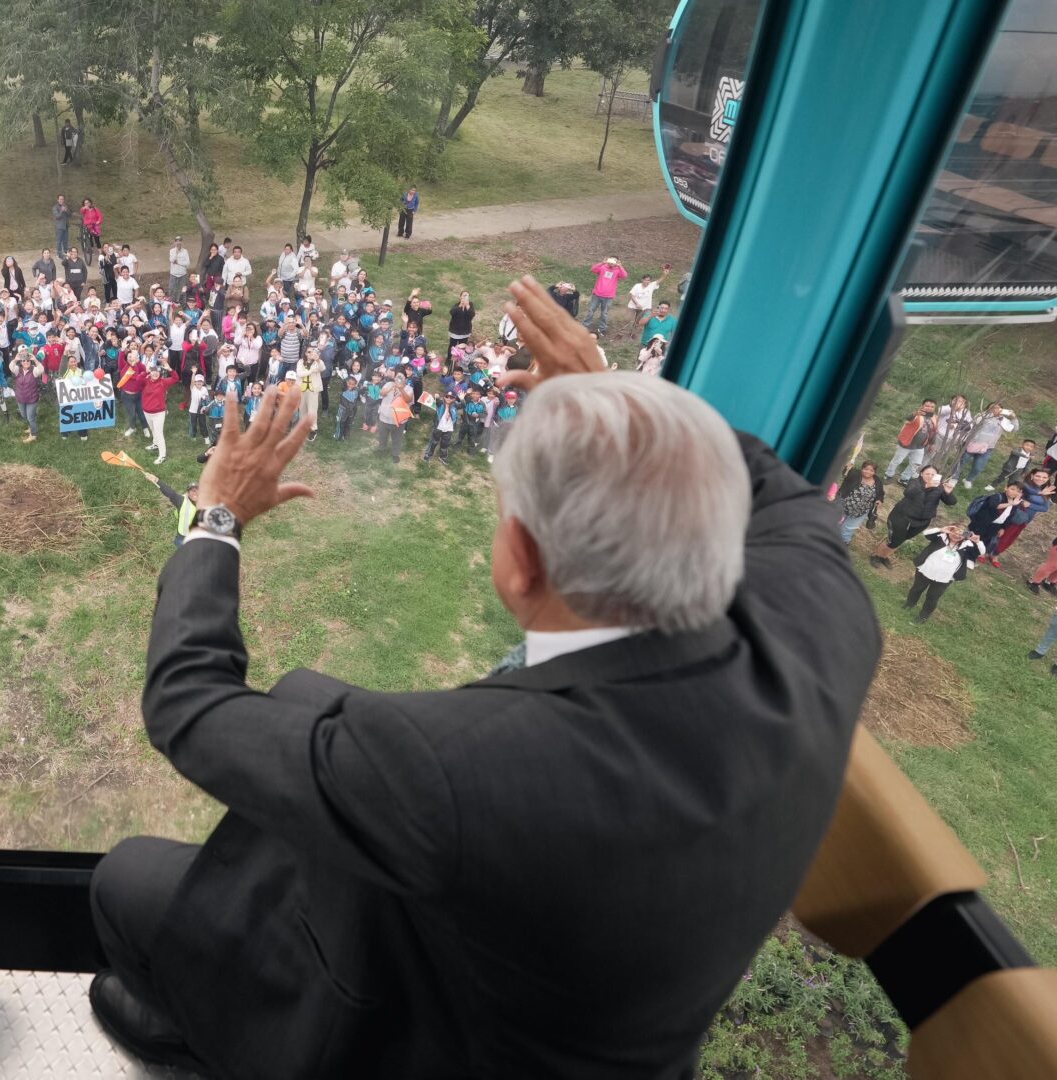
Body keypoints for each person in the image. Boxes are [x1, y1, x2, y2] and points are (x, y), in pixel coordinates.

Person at [85, 276, 880, 1080]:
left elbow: (189, 704)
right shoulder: (824, 631)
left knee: (124, 882)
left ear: (521, 561)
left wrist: (215, 518)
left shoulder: (454, 773)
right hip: (606, 1021)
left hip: (440, 1040)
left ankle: (198, 1040)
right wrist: (607, 399)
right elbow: (773, 489)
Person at [871, 466, 959, 567]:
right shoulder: (915, 482)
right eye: (927, 474)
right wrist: (925, 486)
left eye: (933, 474)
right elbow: (908, 493)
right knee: (894, 540)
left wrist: (948, 493)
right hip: (902, 517)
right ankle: (876, 555)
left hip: (922, 522)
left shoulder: (939, 487)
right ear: (921, 474)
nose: (930, 476)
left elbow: (951, 502)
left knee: (901, 540)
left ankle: (884, 556)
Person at [905, 524, 984, 622]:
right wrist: (940, 529)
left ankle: (923, 616)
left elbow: (981, 552)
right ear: (949, 531)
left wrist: (978, 542)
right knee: (916, 589)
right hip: (926, 570)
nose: (956, 535)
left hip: (945, 577)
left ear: (965, 536)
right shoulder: (940, 537)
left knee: (933, 597)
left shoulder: (966, 546)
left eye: (961, 534)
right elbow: (926, 534)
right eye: (954, 532)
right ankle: (909, 604)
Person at [952, 401, 1018, 488]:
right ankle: (954, 478)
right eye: (992, 407)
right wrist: (988, 414)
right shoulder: (982, 415)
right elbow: (975, 422)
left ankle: (969, 480)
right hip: (972, 443)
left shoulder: (1003, 420)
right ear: (988, 408)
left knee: (978, 466)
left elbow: (1014, 429)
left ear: (1002, 410)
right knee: (962, 461)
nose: (995, 409)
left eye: (997, 408)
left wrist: (1013, 418)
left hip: (988, 447)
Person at [887, 399, 940, 481]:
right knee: (897, 461)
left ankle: (904, 478)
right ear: (922, 406)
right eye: (927, 406)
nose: (929, 408)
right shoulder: (917, 415)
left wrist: (932, 444)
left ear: (934, 408)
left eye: (932, 407)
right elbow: (908, 418)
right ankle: (889, 474)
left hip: (919, 446)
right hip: (906, 443)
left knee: (916, 464)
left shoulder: (934, 418)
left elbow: (933, 432)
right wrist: (915, 413)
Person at [832, 460, 884, 543]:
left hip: (861, 511)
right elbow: (845, 474)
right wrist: (847, 467)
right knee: (835, 522)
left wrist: (879, 500)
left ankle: (843, 542)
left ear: (874, 472)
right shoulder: (855, 474)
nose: (868, 472)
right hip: (844, 505)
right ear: (861, 468)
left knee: (849, 528)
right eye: (866, 469)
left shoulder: (877, 481)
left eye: (871, 470)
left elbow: (880, 493)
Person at [141, 470, 199, 544]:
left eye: (197, 490)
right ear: (188, 493)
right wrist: (156, 480)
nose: (195, 493)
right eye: (192, 491)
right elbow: (171, 493)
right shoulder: (181, 501)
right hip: (182, 538)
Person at [583, 256, 628, 334]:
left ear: (617, 262)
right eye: (610, 260)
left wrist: (620, 267)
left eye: (614, 261)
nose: (611, 262)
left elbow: (624, 276)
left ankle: (602, 328)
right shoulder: (603, 267)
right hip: (597, 294)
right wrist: (602, 263)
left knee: (604, 313)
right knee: (591, 310)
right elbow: (593, 269)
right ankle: (585, 325)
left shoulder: (617, 270)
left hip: (608, 296)